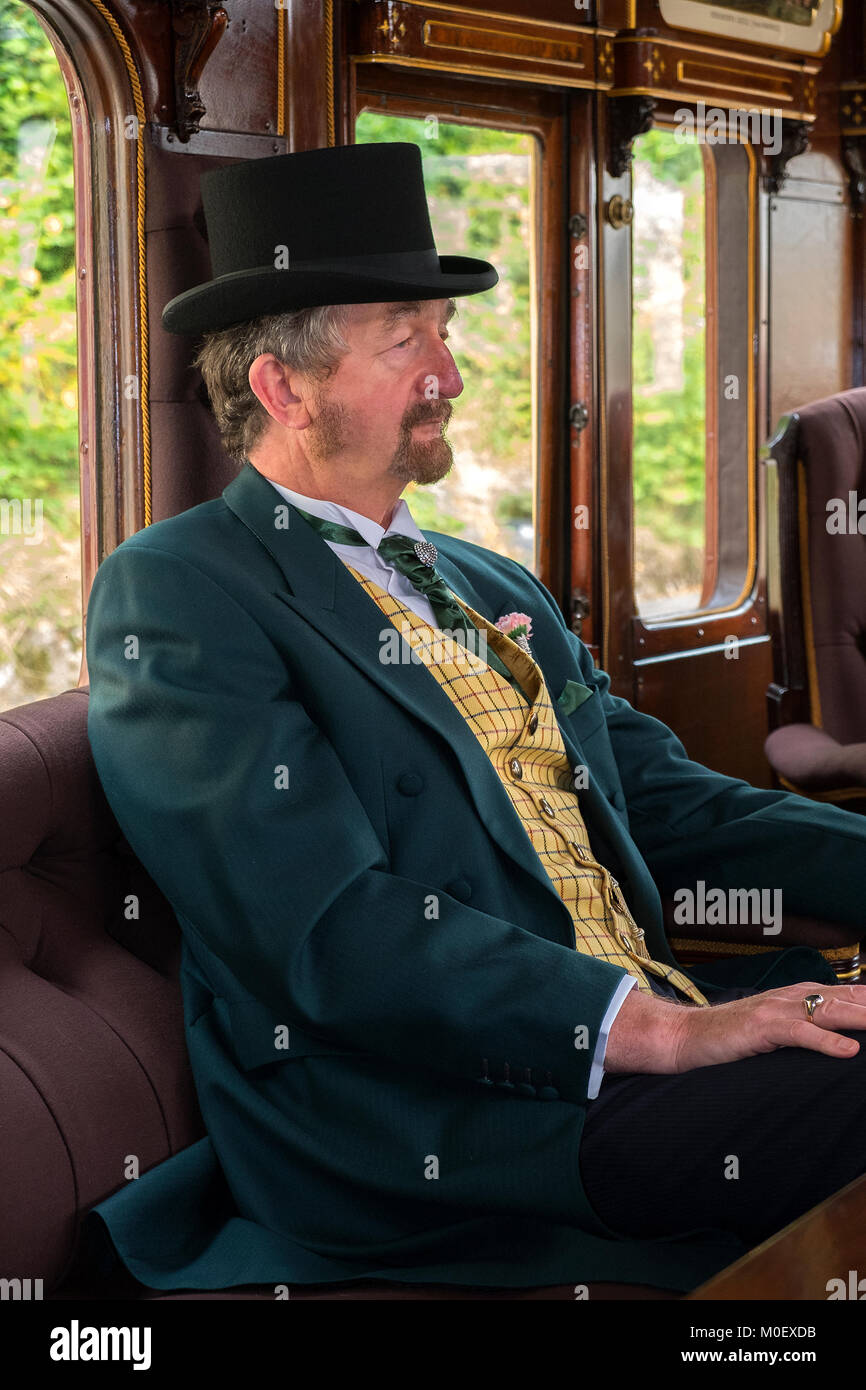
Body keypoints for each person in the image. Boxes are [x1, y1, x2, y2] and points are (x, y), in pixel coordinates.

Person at [82, 142, 866, 1296]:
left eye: (443, 336)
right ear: (281, 389)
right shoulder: (180, 591)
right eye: (406, 340)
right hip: (449, 1119)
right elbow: (323, 927)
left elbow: (660, 801)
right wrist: (653, 1030)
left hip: (647, 1026)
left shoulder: (488, 581)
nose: (448, 371)